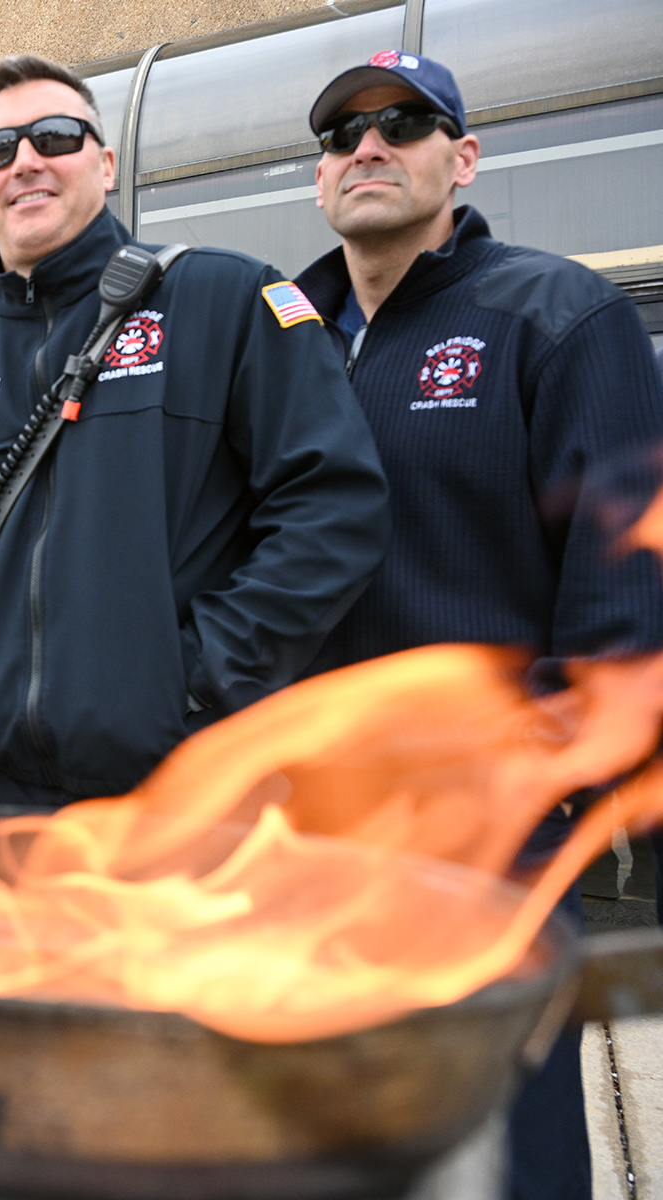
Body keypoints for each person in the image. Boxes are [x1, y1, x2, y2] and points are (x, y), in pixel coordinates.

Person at [292, 52, 663, 1200]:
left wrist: (541, 775)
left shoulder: (557, 316)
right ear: (318, 178)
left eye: (405, 123)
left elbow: (623, 580)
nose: (369, 145)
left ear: (462, 158)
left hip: (490, 824)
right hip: (315, 817)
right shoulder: (282, 342)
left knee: (506, 1122)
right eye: (343, 132)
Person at [0, 54, 391, 808]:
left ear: (104, 164)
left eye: (56, 136)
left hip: (185, 793)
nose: (26, 161)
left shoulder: (225, 300)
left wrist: (195, 679)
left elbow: (334, 508)